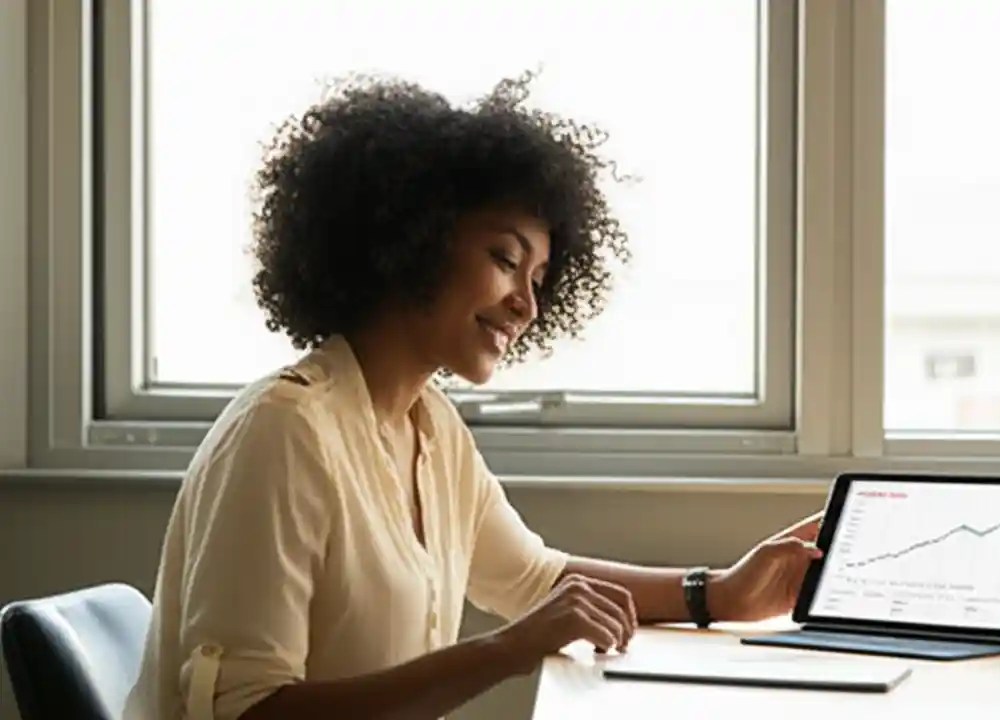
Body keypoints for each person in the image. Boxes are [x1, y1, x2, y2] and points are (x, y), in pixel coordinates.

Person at [124, 72, 822, 720]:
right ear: (412, 239)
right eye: (504, 259)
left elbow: (536, 580)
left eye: (540, 279)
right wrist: (503, 651)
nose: (527, 305)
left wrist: (720, 592)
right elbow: (248, 710)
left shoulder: (430, 427)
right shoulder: (284, 431)